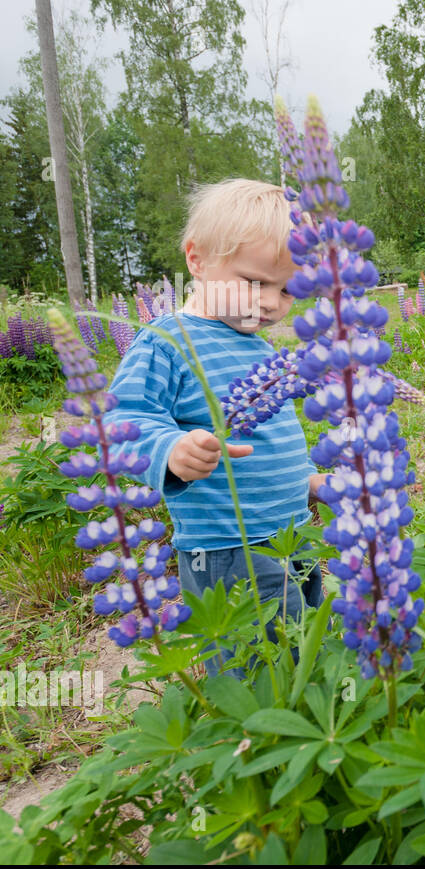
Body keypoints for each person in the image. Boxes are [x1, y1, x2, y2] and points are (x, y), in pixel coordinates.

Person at [104, 178, 327, 677]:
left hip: (293, 535)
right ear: (197, 260)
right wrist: (171, 449)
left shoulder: (263, 348)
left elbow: (279, 437)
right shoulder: (166, 342)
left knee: (306, 648)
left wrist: (308, 481)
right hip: (229, 549)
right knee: (260, 668)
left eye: (288, 289)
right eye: (255, 282)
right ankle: (257, 744)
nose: (271, 302)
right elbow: (123, 420)